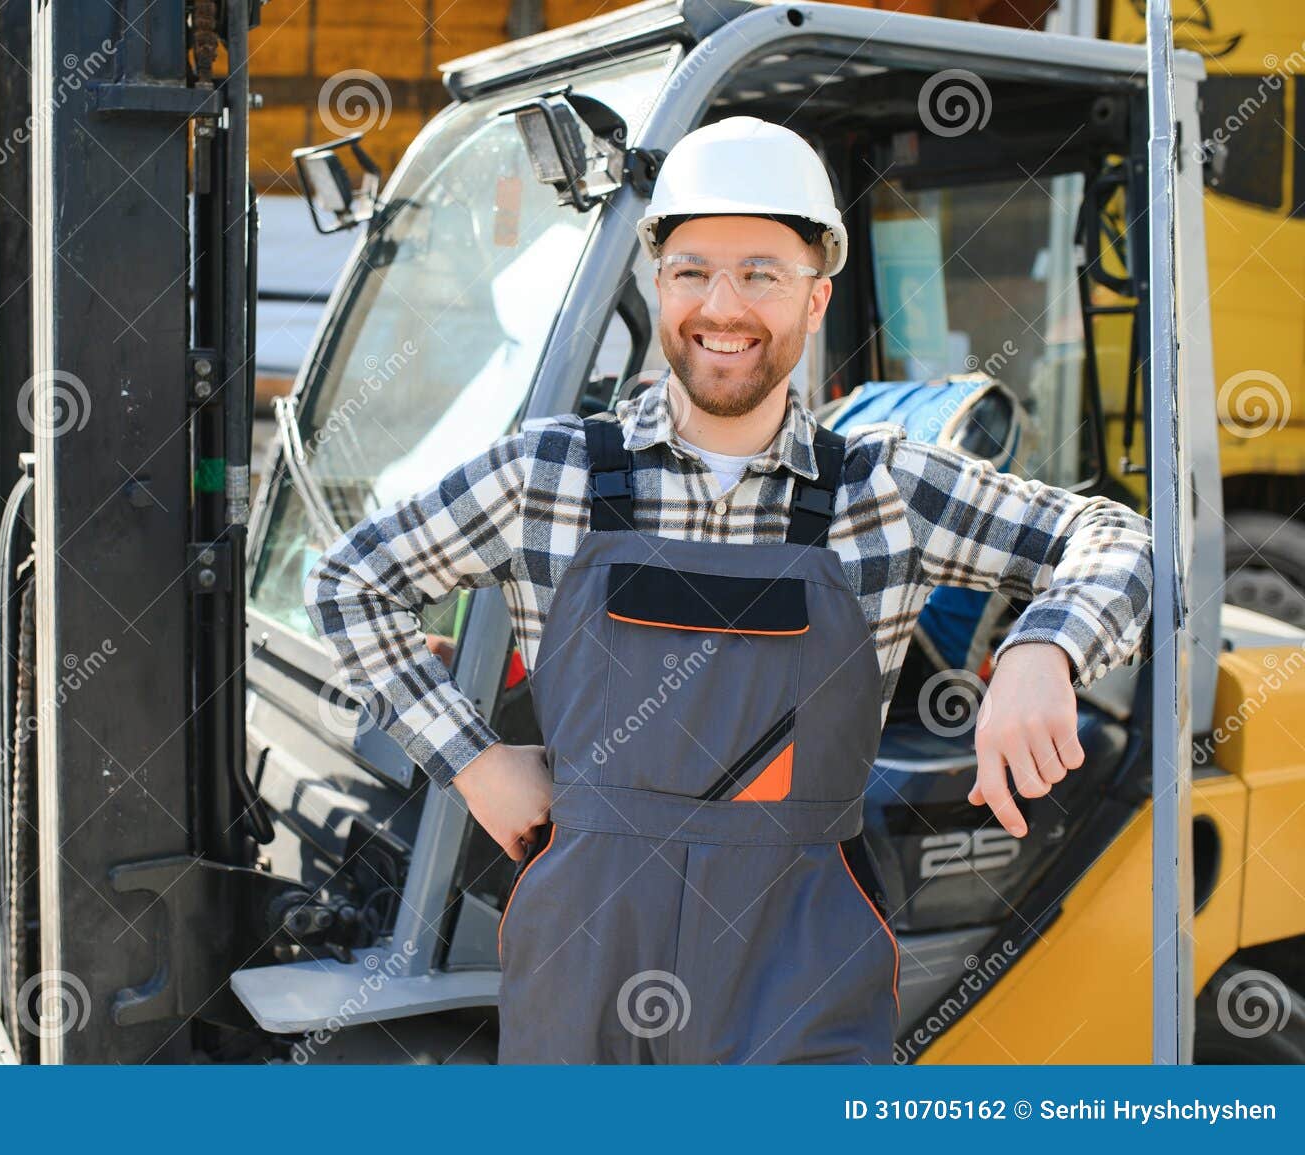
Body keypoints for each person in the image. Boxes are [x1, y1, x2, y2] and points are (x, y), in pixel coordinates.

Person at [303, 116, 1152, 1064]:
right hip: (583, 955)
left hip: (799, 956)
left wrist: (1045, 647)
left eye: (761, 272)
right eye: (693, 269)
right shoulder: (548, 475)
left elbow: (1112, 536)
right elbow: (349, 583)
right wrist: (472, 760)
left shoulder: (888, 490)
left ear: (817, 296)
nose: (724, 305)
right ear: (657, 284)